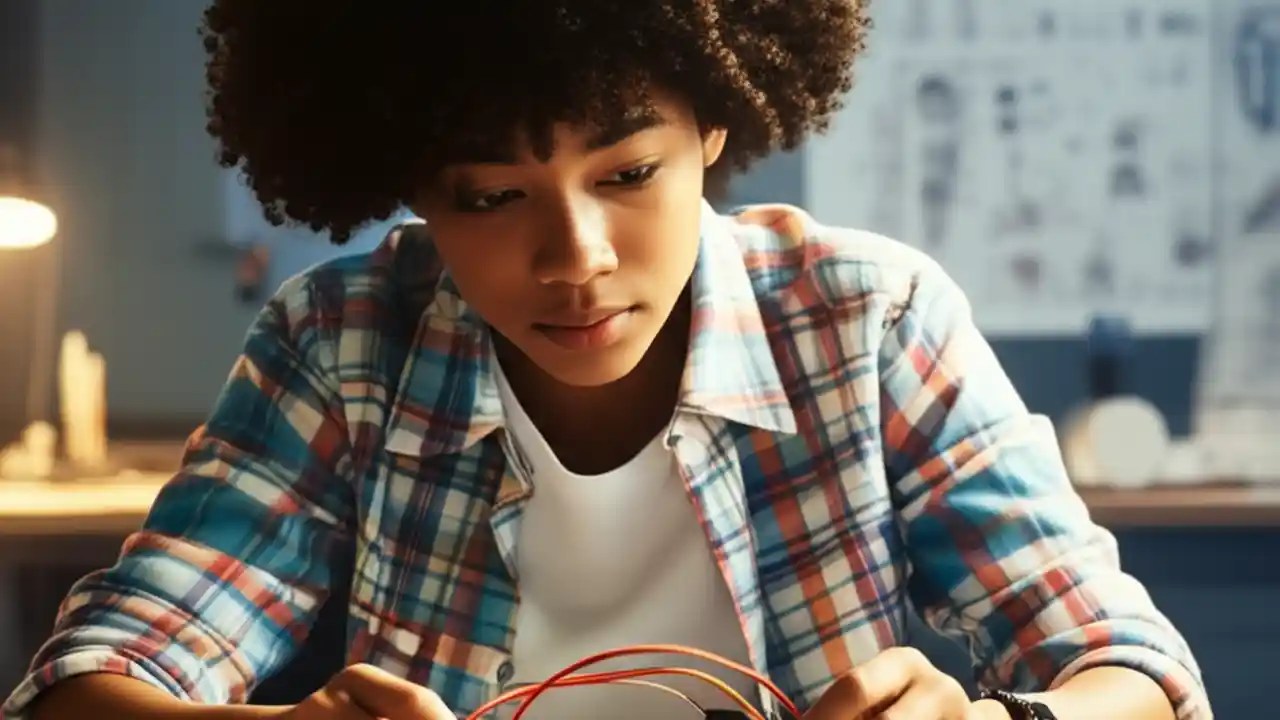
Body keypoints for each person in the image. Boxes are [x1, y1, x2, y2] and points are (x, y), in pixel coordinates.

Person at [4, 1, 1209, 719]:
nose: (573, 257)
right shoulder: (341, 341)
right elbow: (93, 679)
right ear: (409, 188)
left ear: (716, 125)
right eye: (489, 196)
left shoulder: (868, 319)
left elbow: (1130, 668)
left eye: (628, 173)